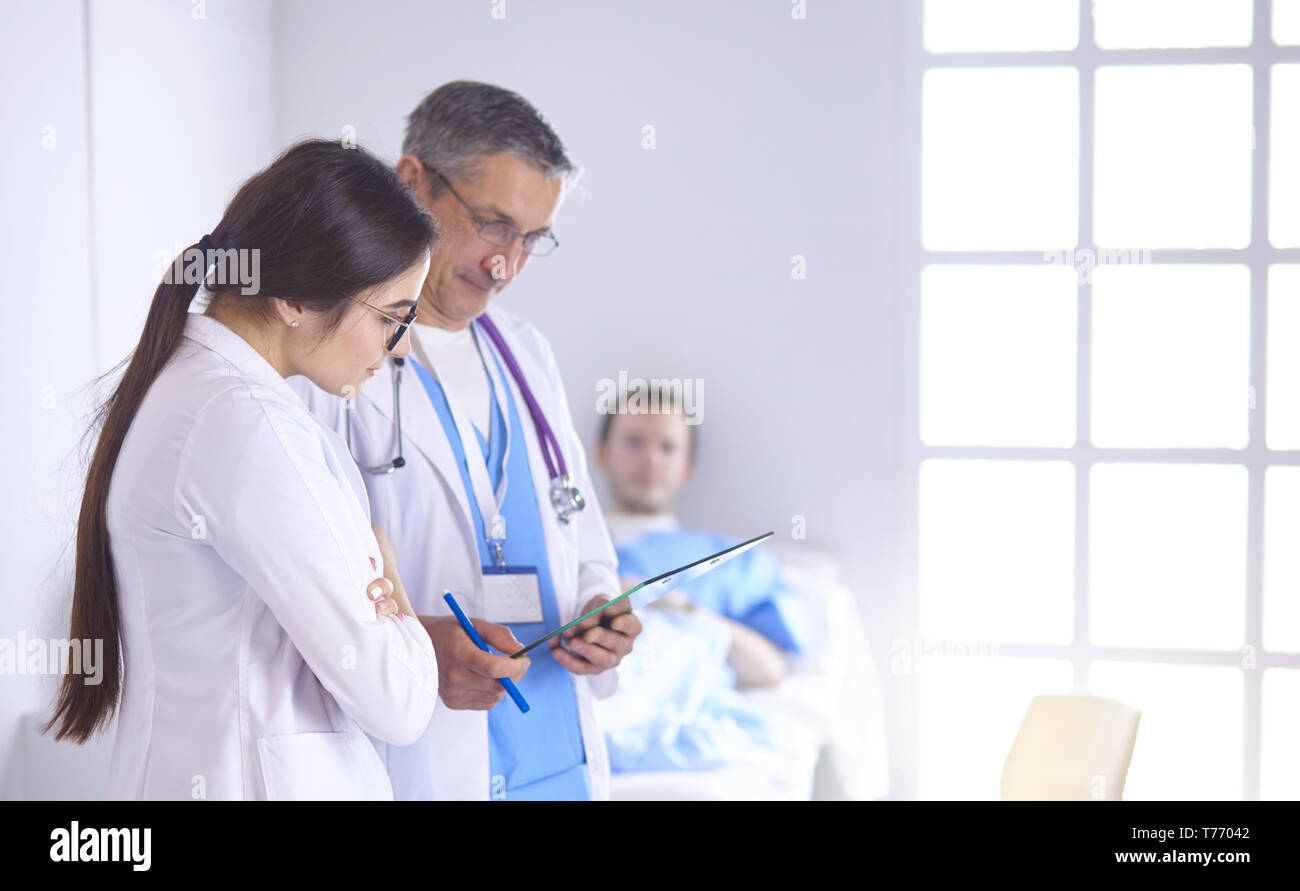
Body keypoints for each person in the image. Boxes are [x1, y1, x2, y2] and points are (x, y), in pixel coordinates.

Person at [45, 139, 440, 800]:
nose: (392, 351)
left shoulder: (199, 390)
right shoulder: (249, 426)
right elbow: (397, 701)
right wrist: (391, 583)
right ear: (293, 296)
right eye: (390, 320)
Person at [294, 82, 640, 800]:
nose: (506, 262)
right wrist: (418, 648)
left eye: (531, 238)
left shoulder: (527, 353)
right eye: (492, 223)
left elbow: (588, 547)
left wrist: (601, 610)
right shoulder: (328, 356)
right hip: (428, 757)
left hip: (558, 755)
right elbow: (305, 591)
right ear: (412, 182)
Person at [592, 386, 808, 772]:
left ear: (689, 467)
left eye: (668, 448)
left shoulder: (727, 562)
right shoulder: (568, 548)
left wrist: (666, 599)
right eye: (634, 442)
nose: (650, 461)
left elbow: (769, 670)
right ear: (600, 453)